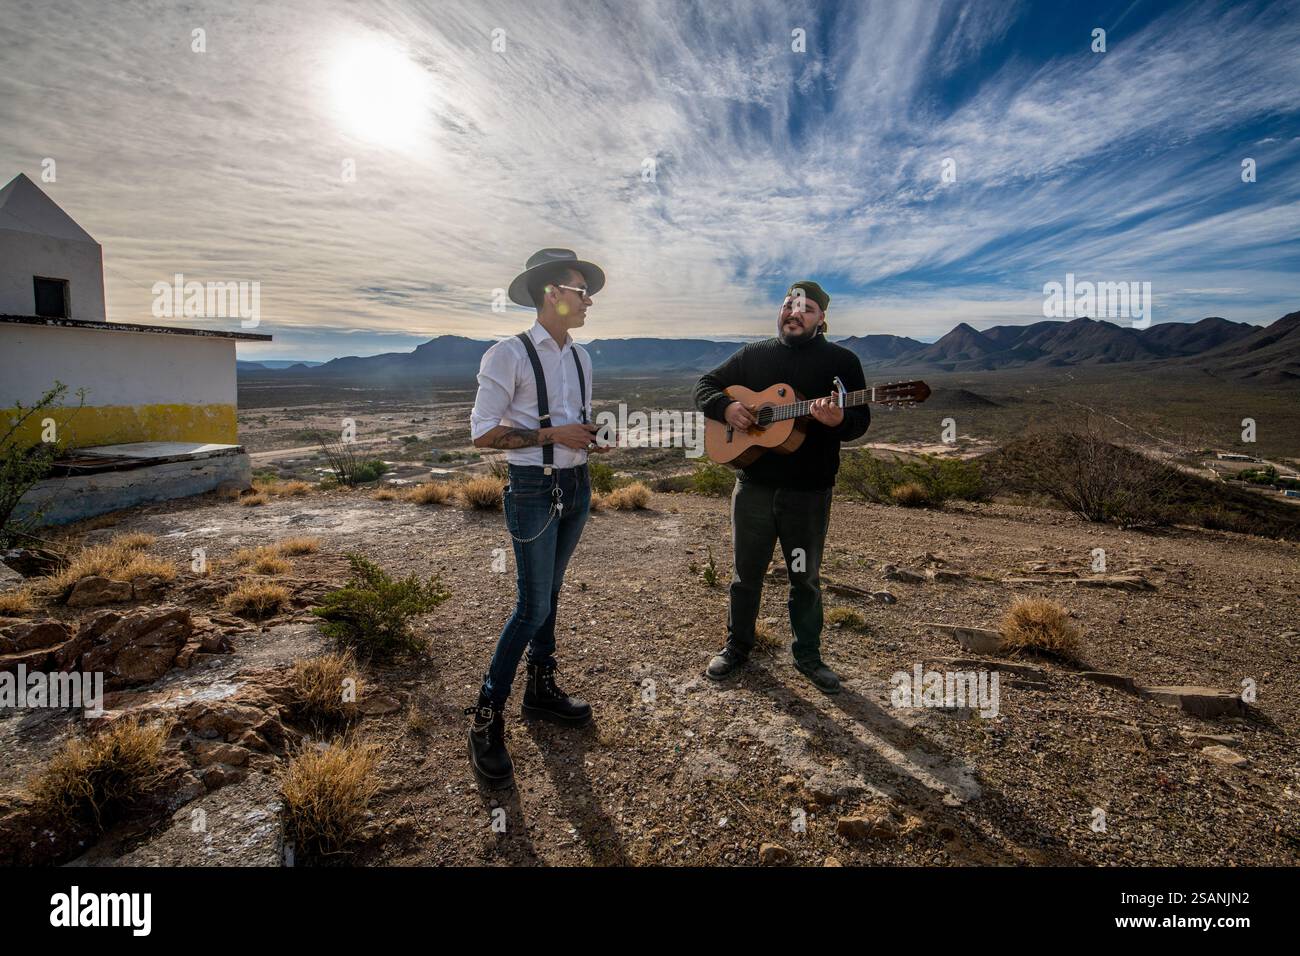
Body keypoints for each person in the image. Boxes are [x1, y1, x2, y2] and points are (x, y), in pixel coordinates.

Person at [465, 248, 610, 786]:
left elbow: (576, 422)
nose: (588, 300)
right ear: (552, 294)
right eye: (579, 290)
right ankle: (485, 717)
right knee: (530, 606)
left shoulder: (582, 356)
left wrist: (592, 438)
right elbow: (482, 434)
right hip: (532, 490)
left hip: (576, 486)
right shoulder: (508, 354)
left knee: (551, 595)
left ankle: (540, 689)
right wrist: (553, 436)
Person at [693, 280, 870, 694]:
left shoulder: (842, 361)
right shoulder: (753, 355)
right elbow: (704, 386)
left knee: (804, 577)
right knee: (744, 575)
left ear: (822, 318)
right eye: (790, 305)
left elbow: (859, 423)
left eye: (807, 308)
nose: (796, 312)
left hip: (809, 493)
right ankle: (737, 647)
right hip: (753, 487)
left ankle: (808, 655)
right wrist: (728, 406)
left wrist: (837, 421)